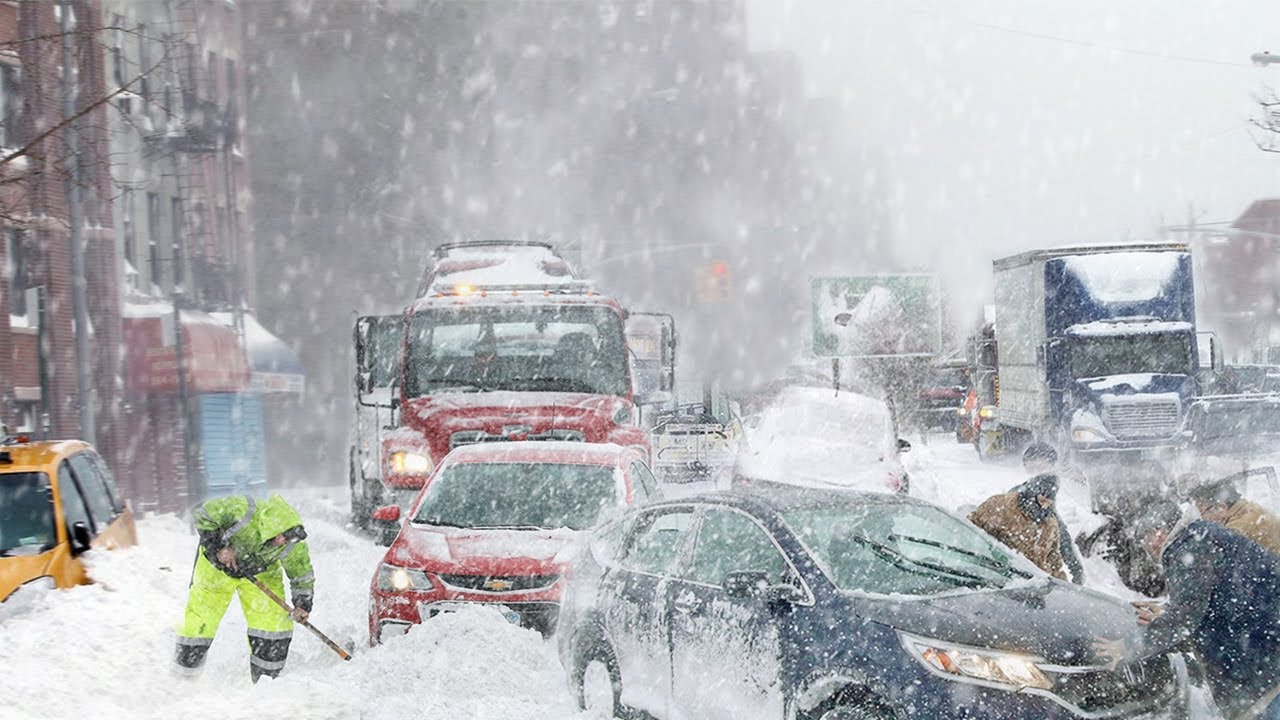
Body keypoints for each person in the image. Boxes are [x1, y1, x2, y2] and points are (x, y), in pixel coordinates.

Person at [1097, 502, 1280, 720]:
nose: (1146, 548)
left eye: (1145, 540)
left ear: (1158, 533)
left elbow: (1186, 616)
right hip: (1266, 642)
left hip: (1263, 656)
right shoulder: (1201, 536)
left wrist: (1129, 646)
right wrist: (1167, 611)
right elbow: (1208, 600)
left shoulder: (1188, 548)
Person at [174, 494, 316, 682]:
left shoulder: (292, 543)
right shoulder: (242, 510)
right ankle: (182, 680)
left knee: (273, 627)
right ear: (271, 526)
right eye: (281, 535)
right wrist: (219, 547)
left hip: (260, 573)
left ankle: (267, 682)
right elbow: (202, 513)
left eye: (287, 538)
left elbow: (302, 574)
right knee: (200, 623)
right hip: (215, 571)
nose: (282, 541)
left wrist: (303, 605)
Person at [969, 471, 1071, 580]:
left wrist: (1062, 586)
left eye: (1049, 503)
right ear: (1032, 493)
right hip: (1000, 580)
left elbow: (1054, 558)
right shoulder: (1000, 506)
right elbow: (970, 532)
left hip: (1036, 585)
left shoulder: (1050, 522)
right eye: (1042, 500)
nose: (1044, 507)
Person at [1018, 442, 1086, 584]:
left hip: (1031, 569)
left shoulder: (1044, 486)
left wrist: (1076, 568)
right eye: (1033, 466)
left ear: (1051, 466)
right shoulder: (1026, 489)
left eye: (1041, 466)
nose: (1038, 471)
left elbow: (1058, 529)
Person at [1186, 476, 1280, 556]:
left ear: (1221, 508)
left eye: (1202, 512)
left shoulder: (1237, 528)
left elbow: (1222, 557)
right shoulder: (1249, 509)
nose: (1202, 518)